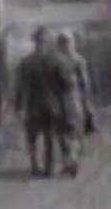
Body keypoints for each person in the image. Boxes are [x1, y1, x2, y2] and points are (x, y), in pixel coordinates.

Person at [14, 27, 78, 177]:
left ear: (34, 42)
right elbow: (67, 84)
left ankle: (35, 165)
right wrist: (68, 102)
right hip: (53, 105)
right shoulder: (57, 60)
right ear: (48, 42)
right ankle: (49, 169)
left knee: (32, 137)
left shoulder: (26, 62)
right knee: (50, 136)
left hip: (33, 106)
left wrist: (18, 106)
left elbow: (21, 87)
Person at [57, 30, 98, 140]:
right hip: (58, 93)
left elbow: (84, 79)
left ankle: (88, 124)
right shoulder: (56, 60)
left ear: (72, 43)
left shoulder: (78, 60)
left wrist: (85, 94)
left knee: (84, 108)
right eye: (63, 43)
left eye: (68, 42)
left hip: (73, 92)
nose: (66, 45)